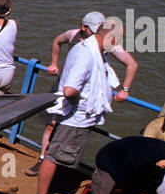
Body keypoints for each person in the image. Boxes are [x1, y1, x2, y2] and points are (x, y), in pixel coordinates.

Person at [27, 13, 138, 175]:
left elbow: (132, 64)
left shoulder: (106, 42)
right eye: (92, 31)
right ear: (83, 27)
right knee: (51, 125)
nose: (94, 34)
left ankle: (57, 164)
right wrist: (54, 63)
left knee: (72, 131)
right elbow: (57, 41)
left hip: (85, 90)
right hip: (65, 84)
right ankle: (43, 159)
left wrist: (125, 90)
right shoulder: (73, 35)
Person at [32, 13, 115, 194]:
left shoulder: (88, 49)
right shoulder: (87, 55)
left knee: (57, 152)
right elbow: (70, 89)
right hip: (75, 117)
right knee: (54, 155)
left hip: (78, 117)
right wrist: (79, 102)